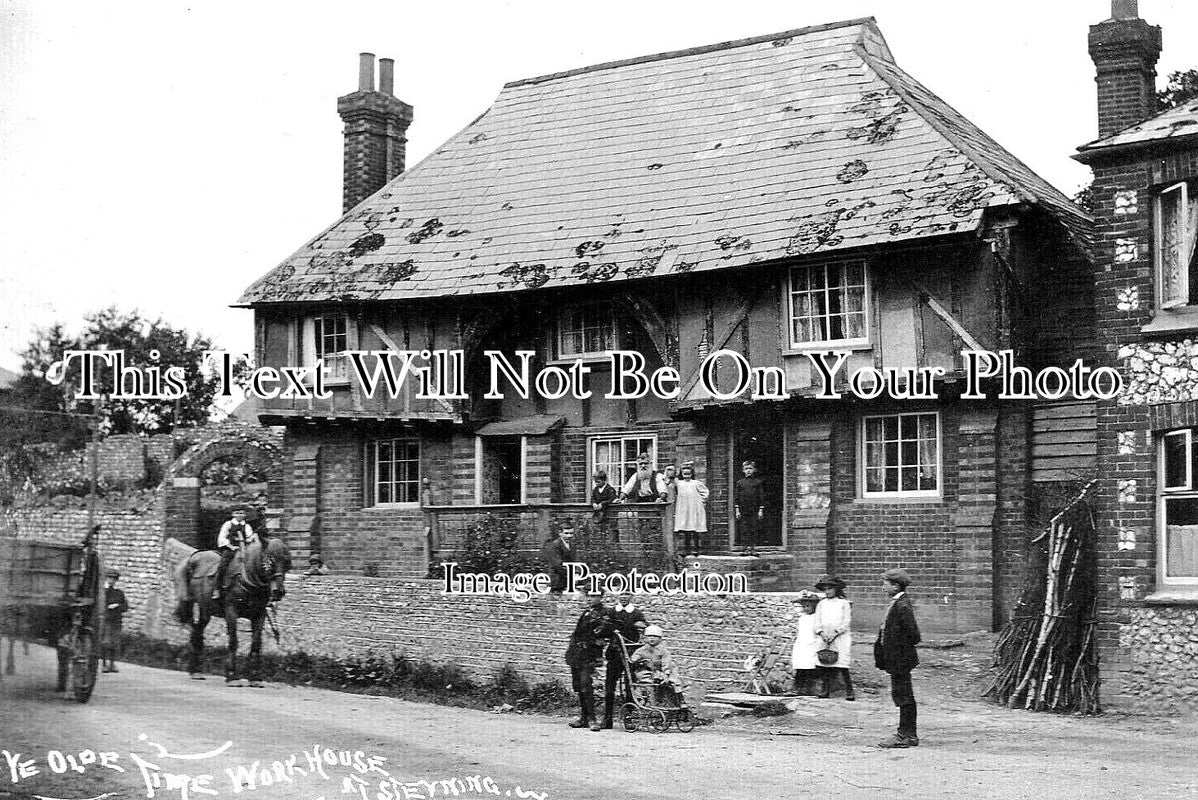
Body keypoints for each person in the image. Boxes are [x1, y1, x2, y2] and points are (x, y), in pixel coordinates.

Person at [874, 568, 922, 748]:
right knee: (902, 694)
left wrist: (898, 651)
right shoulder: (897, 603)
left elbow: (914, 635)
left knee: (904, 695)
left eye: (885, 584)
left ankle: (906, 735)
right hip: (897, 659)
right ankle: (908, 734)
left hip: (901, 659)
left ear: (895, 586)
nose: (882, 588)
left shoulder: (902, 606)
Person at [564, 593, 613, 731]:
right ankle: (583, 718)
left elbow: (603, 632)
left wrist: (595, 641)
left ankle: (592, 719)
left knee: (586, 684)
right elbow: (578, 633)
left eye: (594, 596)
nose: (590, 598)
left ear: (601, 597)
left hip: (590, 655)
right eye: (588, 596)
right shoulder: (586, 612)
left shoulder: (605, 613)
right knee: (578, 685)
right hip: (577, 653)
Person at [602, 592, 648, 729]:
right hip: (615, 653)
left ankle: (629, 718)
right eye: (621, 594)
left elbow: (644, 627)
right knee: (609, 686)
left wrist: (640, 626)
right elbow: (604, 629)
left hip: (630, 654)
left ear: (631, 597)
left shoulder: (636, 613)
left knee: (629, 687)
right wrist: (611, 629)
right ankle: (607, 719)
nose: (623, 597)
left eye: (627, 594)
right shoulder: (611, 612)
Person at [813, 575, 855, 701]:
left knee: (842, 664)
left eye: (830, 588)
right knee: (824, 664)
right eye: (825, 589)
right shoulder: (821, 604)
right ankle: (825, 689)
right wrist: (821, 633)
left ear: (836, 589)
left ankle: (849, 690)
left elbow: (846, 621)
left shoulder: (843, 603)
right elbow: (817, 621)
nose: (827, 591)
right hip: (824, 637)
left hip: (840, 637)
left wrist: (835, 633)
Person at [628, 624, 683, 705]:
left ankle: (680, 699)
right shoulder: (641, 650)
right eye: (649, 636)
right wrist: (635, 660)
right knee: (646, 676)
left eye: (655, 636)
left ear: (660, 639)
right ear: (645, 638)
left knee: (673, 678)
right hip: (646, 672)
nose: (652, 638)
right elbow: (633, 659)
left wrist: (666, 672)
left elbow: (666, 662)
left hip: (659, 671)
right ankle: (654, 692)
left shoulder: (663, 650)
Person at [213, 509, 257, 600]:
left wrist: (250, 540)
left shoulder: (247, 526)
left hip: (244, 549)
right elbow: (222, 538)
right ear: (233, 514)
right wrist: (231, 546)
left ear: (245, 515)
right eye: (237, 513)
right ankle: (217, 588)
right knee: (223, 565)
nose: (239, 515)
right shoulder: (228, 524)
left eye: (241, 513)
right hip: (230, 549)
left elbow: (249, 538)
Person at [789, 589, 822, 695]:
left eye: (808, 606)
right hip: (802, 644)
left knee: (810, 666)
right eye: (804, 606)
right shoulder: (802, 618)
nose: (806, 609)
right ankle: (797, 686)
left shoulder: (817, 618)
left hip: (812, 644)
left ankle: (807, 688)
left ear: (814, 606)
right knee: (800, 666)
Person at [672, 462, 709, 555]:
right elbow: (672, 486)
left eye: (689, 474)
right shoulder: (679, 484)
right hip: (684, 509)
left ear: (692, 474)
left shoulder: (696, 483)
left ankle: (696, 548)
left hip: (694, 508)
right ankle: (686, 549)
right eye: (685, 474)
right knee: (686, 530)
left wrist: (701, 501)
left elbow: (705, 492)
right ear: (681, 474)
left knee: (694, 529)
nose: (687, 476)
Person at [734, 460, 766, 556]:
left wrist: (760, 510)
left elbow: (761, 496)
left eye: (750, 469)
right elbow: (737, 497)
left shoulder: (758, 482)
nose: (748, 471)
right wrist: (737, 510)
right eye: (746, 469)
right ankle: (745, 549)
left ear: (754, 470)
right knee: (744, 529)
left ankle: (752, 548)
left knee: (753, 528)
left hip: (754, 509)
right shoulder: (740, 483)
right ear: (743, 470)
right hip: (743, 509)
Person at [101, 568, 128, 673]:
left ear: (116, 580)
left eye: (113, 578)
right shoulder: (103, 592)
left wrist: (117, 605)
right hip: (106, 620)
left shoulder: (119, 593)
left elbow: (126, 607)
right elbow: (102, 603)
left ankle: (112, 664)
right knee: (105, 642)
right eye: (109, 578)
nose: (111, 580)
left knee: (114, 643)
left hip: (116, 621)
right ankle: (103, 664)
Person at [540, 526, 576, 594]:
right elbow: (557, 564)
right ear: (560, 533)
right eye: (566, 533)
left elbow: (574, 561)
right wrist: (571, 574)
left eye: (571, 533)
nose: (569, 536)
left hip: (568, 580)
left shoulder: (572, 545)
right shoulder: (554, 545)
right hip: (557, 580)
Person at [590, 471, 619, 541]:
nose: (596, 484)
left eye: (598, 482)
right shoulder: (595, 490)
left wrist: (603, 504)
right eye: (595, 482)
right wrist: (593, 503)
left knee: (611, 530)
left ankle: (614, 545)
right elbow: (592, 498)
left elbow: (612, 499)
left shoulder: (610, 489)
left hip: (609, 514)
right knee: (600, 530)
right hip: (599, 514)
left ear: (604, 480)